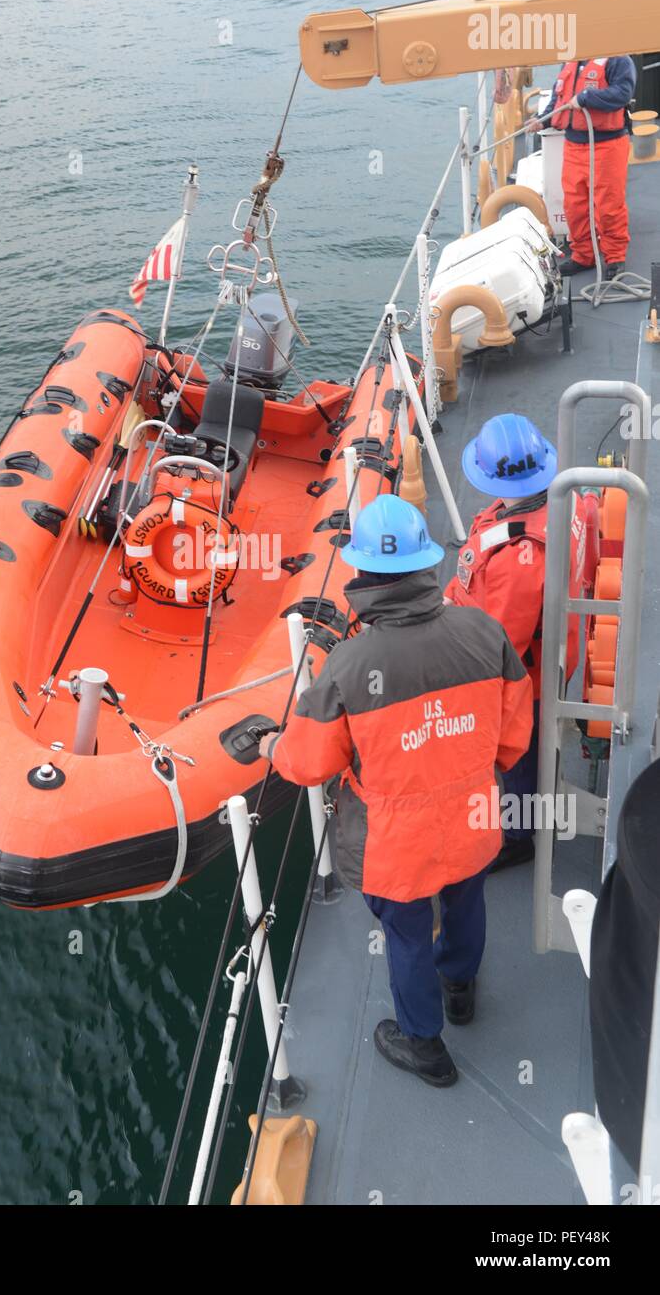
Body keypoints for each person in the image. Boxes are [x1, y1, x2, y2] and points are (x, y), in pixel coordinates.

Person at [258, 495, 533, 1088]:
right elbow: (513, 737)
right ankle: (460, 991)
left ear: (363, 577)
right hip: (475, 817)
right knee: (467, 900)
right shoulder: (484, 633)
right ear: (426, 566)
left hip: (394, 841)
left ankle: (426, 1047)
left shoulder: (348, 666)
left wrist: (267, 747)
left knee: (406, 936)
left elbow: (307, 763)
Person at [443, 414, 586, 871]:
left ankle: (521, 834)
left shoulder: (517, 557)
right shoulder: (576, 500)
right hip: (558, 651)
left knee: (520, 752)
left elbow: (500, 643)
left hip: (526, 675)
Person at [528, 55, 636, 279]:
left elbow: (623, 93)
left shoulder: (619, 60)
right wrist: (543, 119)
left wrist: (587, 97)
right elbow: (559, 99)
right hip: (574, 145)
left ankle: (615, 257)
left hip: (607, 145)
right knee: (574, 204)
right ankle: (583, 254)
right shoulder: (571, 61)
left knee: (609, 204)